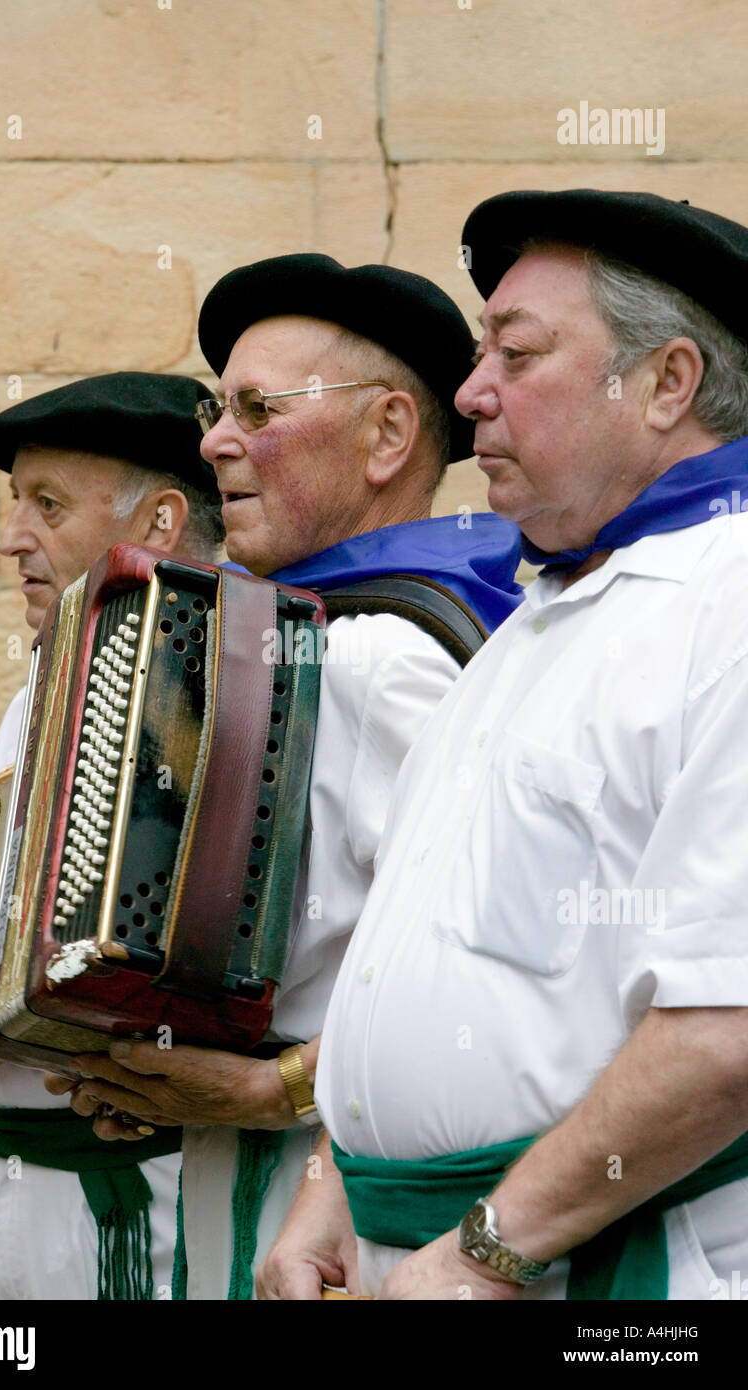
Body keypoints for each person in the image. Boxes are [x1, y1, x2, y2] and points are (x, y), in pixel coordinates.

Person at [257, 190, 748, 1302]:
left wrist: (487, 1251)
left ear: (666, 383)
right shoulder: (539, 617)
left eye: (515, 355)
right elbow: (432, 950)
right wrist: (327, 1201)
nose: (471, 392)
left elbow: (727, 1029)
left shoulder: (730, 603)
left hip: (607, 1273)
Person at [46, 254, 524, 1299]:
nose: (215, 441)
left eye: (257, 408)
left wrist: (271, 1090)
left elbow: (495, 965)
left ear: (388, 434)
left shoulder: (380, 652)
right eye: (220, 409)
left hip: (341, 1207)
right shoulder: (313, 635)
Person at [0, 371, 223, 1300]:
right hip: (11, 1191)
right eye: (16, 505)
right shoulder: (38, 681)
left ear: (160, 522)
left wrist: (40, 1017)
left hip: (141, 1206)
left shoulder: (220, 691)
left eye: (47, 505)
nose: (12, 540)